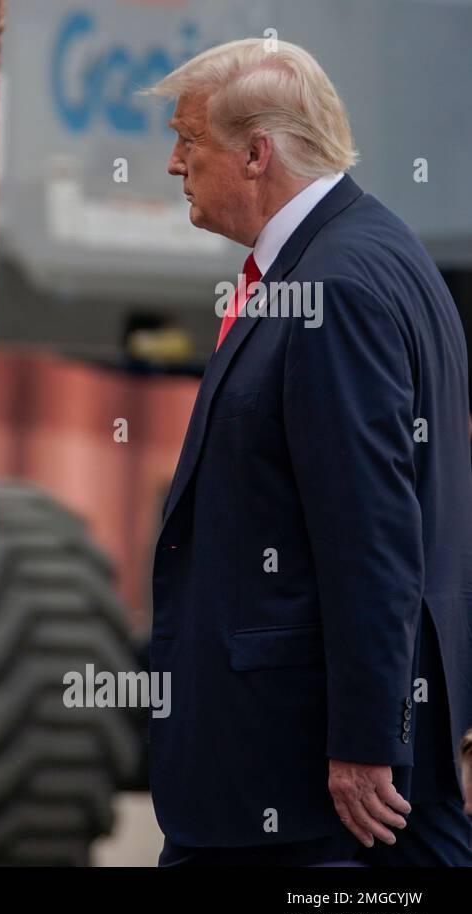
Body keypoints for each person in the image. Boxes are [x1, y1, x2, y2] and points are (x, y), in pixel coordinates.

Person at [144, 38, 472, 866]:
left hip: (301, 782)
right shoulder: (377, 250)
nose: (173, 163)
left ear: (256, 154)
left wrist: (368, 741)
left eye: (189, 141)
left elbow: (373, 530)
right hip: (321, 771)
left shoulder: (335, 287)